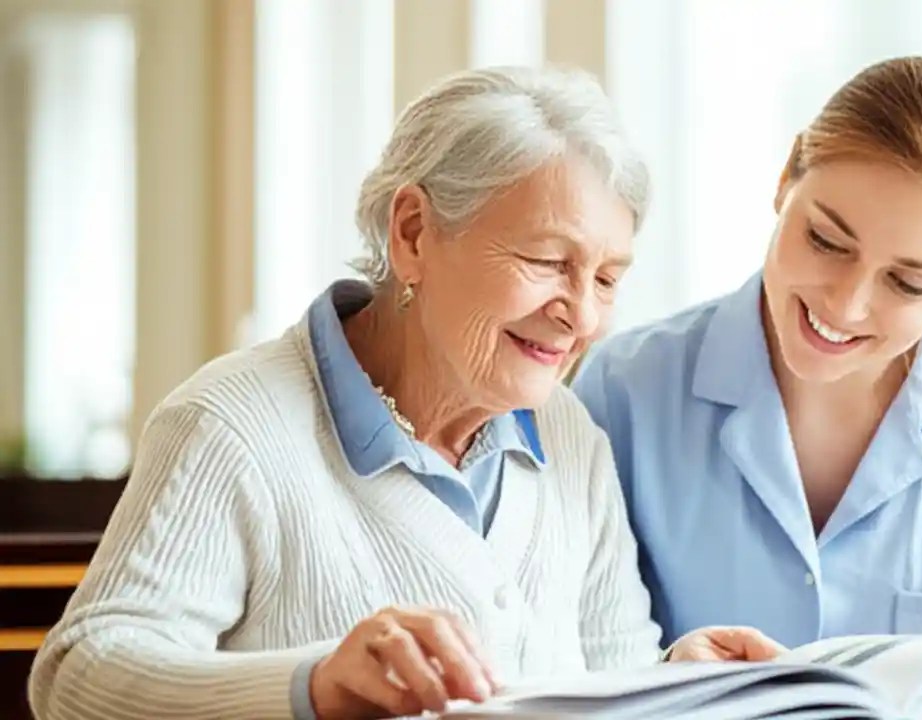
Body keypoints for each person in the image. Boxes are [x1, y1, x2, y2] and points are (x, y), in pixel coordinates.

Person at [28, 66, 783, 720]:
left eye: (609, 278)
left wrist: (673, 685)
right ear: (414, 232)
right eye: (548, 261)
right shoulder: (231, 425)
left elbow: (609, 675)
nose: (582, 314)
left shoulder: (568, 436)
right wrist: (315, 686)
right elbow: (78, 679)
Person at [572, 56, 922, 651]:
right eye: (825, 241)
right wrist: (666, 674)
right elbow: (571, 660)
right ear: (785, 178)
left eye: (907, 283)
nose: (847, 306)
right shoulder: (626, 390)